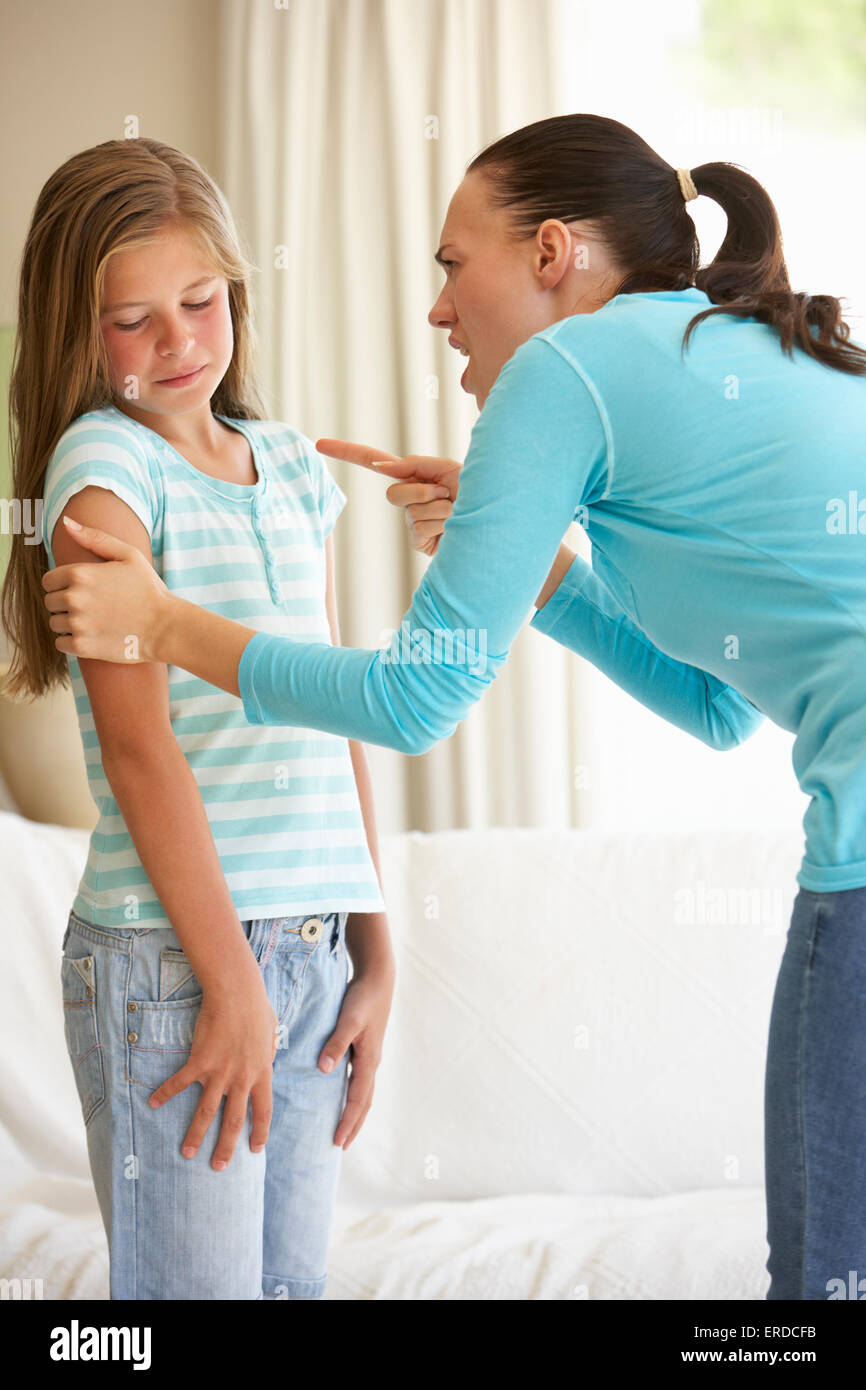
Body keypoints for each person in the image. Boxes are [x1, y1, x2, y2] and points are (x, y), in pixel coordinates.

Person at [37, 113, 866, 1302]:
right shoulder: (708, 344)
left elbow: (412, 700)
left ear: (546, 254)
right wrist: (537, 572)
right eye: (134, 318)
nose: (434, 309)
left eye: (448, 265)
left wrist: (169, 625)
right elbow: (722, 706)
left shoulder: (563, 370)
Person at [0, 137, 397, 1301]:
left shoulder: (282, 459)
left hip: (309, 949)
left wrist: (373, 954)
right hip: (175, 963)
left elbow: (332, 700)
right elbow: (137, 748)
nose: (177, 341)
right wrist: (229, 985)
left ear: (236, 291)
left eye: (199, 299)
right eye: (133, 319)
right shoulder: (104, 472)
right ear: (77, 328)